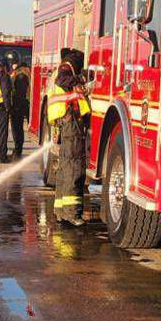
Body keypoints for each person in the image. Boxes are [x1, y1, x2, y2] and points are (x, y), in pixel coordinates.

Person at [47, 48, 90, 226]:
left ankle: (61, 211)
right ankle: (72, 214)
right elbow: (62, 80)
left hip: (65, 123)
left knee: (65, 169)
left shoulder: (63, 69)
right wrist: (81, 79)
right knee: (74, 168)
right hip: (71, 123)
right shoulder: (66, 70)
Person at [8, 51, 31, 159]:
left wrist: (14, 104)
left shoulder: (20, 74)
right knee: (18, 128)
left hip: (19, 103)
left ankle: (18, 150)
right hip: (23, 103)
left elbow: (20, 91)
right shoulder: (23, 71)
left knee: (17, 128)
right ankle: (18, 149)